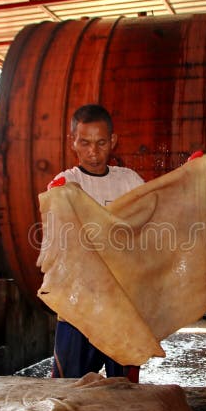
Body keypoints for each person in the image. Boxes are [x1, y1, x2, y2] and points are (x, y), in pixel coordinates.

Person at [47, 104, 144, 382]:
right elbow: (58, 240)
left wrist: (188, 179)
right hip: (78, 307)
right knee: (70, 389)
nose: (93, 152)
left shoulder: (129, 182)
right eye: (85, 143)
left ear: (113, 141)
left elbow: (153, 218)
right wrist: (57, 199)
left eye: (101, 143)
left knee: (124, 390)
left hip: (122, 305)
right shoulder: (66, 183)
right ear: (73, 143)